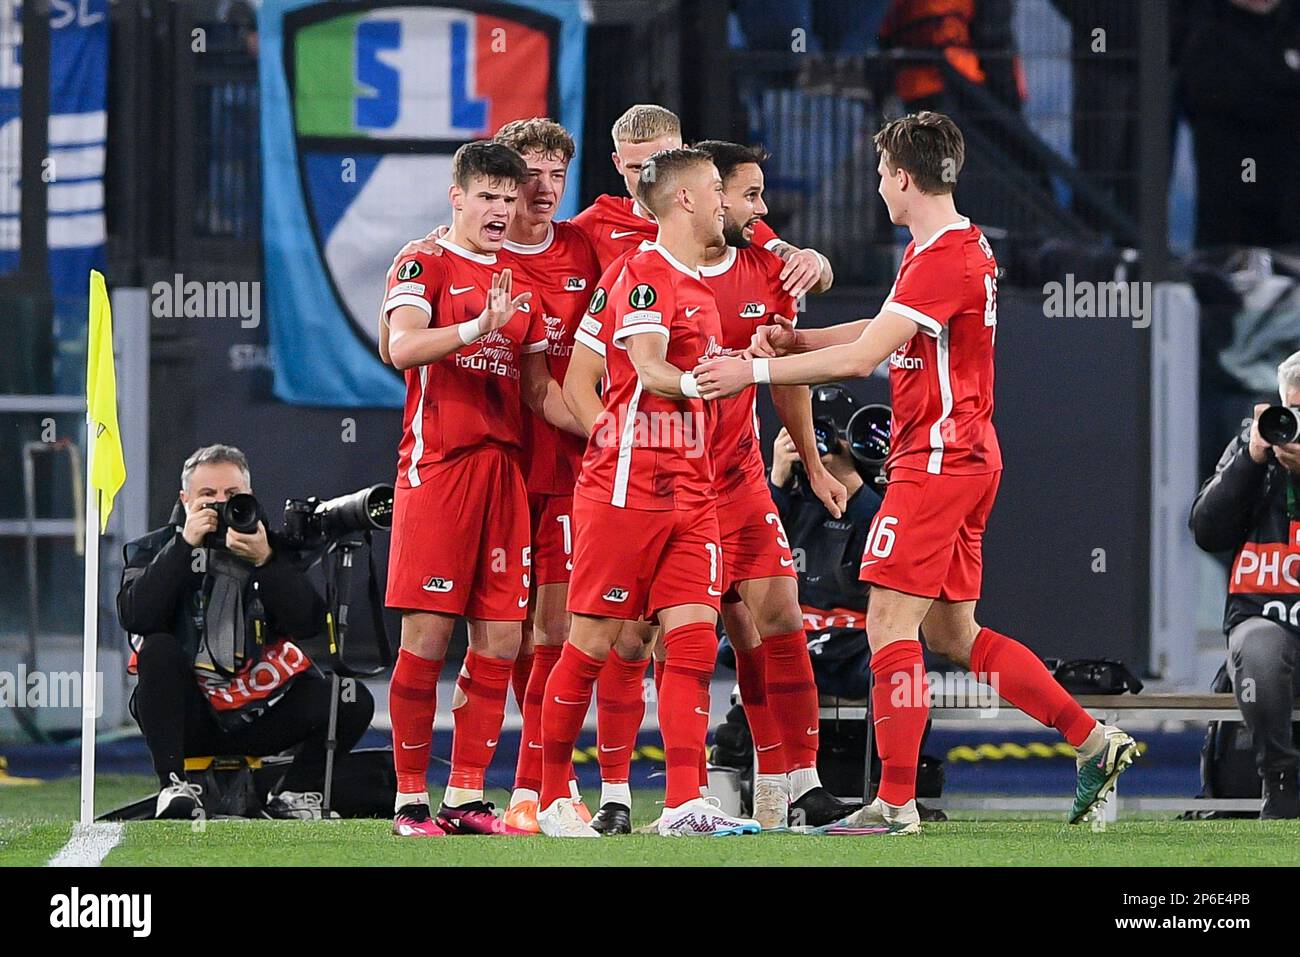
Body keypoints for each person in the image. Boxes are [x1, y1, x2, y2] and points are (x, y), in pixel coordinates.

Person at [694, 111, 1138, 834]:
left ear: (902, 176)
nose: (877, 187)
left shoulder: (940, 257)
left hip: (934, 461)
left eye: (879, 174)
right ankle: (1093, 740)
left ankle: (894, 802)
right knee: (955, 635)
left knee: (887, 624)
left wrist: (753, 367)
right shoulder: (955, 245)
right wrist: (802, 336)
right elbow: (883, 330)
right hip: (967, 455)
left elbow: (862, 360)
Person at [537, 147, 759, 838]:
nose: (725, 201)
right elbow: (650, 366)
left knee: (693, 642)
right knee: (593, 644)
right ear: (685, 201)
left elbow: (605, 367)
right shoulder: (645, 274)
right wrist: (702, 382)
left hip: (692, 491)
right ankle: (550, 796)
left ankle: (686, 800)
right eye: (716, 190)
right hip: (626, 490)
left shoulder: (690, 282)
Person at [378, 140, 584, 838]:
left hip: (506, 475)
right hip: (438, 466)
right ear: (457, 195)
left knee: (500, 638)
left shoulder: (521, 283)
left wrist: (604, 429)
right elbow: (400, 347)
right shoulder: (424, 259)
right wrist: (474, 326)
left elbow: (539, 392)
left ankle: (465, 796)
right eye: (488, 196)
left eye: (508, 196)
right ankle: (409, 801)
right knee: (429, 636)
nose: (500, 209)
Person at [118, 444, 374, 820]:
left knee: (350, 697)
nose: (220, 505)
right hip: (190, 716)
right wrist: (183, 547)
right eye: (208, 496)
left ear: (249, 497)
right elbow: (136, 616)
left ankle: (295, 790)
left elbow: (309, 625)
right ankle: (173, 785)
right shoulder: (153, 548)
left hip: (260, 713)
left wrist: (266, 563)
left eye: (232, 495)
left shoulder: (272, 546)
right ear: (184, 500)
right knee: (156, 650)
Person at [1189, 350, 1300, 819]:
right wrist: (1251, 461)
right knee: (1257, 649)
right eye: (1292, 412)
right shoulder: (1250, 449)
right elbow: (1207, 531)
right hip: (1265, 615)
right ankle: (1280, 780)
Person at [571, 103, 834, 299]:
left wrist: (812, 260)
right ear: (618, 164)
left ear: (684, 155)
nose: (650, 180)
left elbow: (813, 276)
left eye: (661, 164)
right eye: (638, 168)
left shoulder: (721, 219)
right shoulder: (597, 223)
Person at [769, 386, 884, 701]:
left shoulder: (878, 495)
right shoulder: (782, 491)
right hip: (790, 631)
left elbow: (886, 543)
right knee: (738, 649)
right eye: (812, 433)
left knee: (898, 675)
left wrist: (849, 481)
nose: (823, 445)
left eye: (835, 435)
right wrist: (777, 479)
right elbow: (750, 552)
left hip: (855, 644)